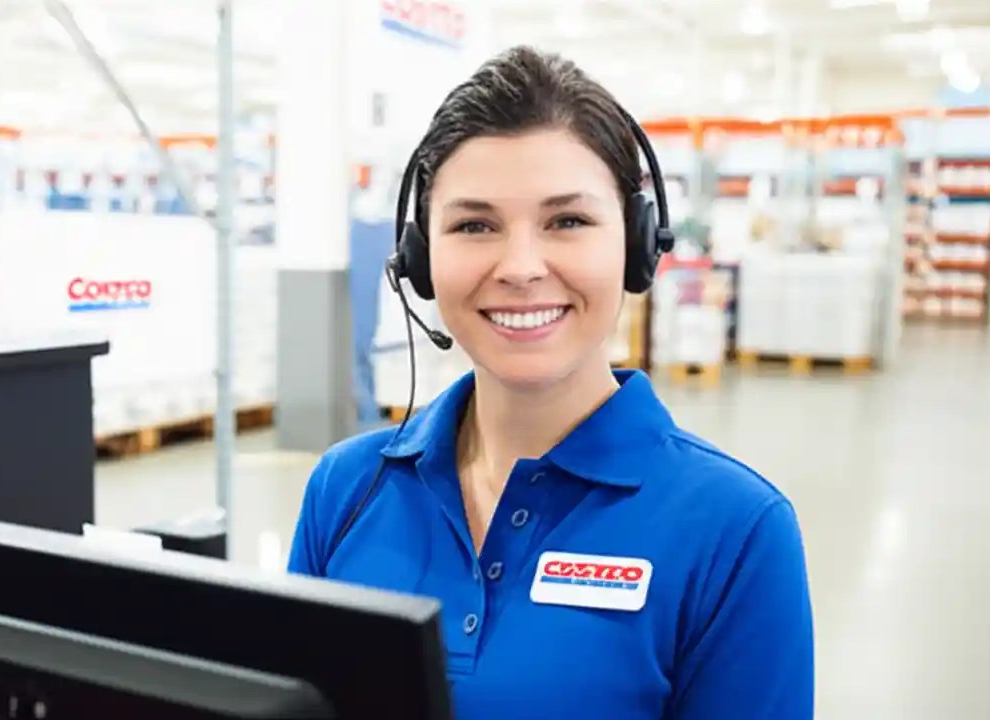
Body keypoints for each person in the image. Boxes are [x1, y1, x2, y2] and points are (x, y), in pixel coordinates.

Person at [287, 46, 814, 719]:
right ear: (419, 261)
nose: (521, 266)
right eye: (475, 225)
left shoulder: (735, 532)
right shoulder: (347, 490)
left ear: (637, 243)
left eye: (567, 221)